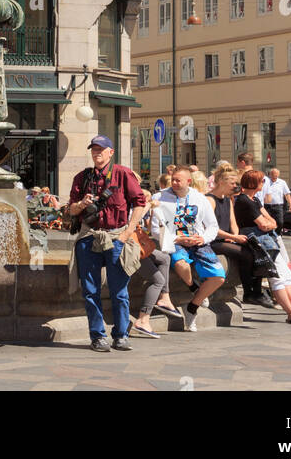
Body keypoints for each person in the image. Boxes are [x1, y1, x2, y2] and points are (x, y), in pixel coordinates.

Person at [68, 135, 147, 352]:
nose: (97, 154)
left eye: (101, 150)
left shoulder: (122, 174)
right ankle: (97, 336)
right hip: (89, 237)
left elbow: (140, 202)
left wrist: (128, 233)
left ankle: (121, 335)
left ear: (111, 152)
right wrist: (81, 204)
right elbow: (71, 210)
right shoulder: (82, 177)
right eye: (94, 150)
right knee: (90, 291)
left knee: (119, 290)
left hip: (116, 236)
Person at [236, 171, 291, 324]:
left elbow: (271, 221)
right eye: (262, 181)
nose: (264, 183)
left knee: (286, 276)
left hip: (268, 240)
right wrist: (268, 224)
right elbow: (263, 224)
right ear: (253, 183)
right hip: (259, 243)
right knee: (277, 277)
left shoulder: (254, 199)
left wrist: (269, 224)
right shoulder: (244, 201)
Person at [149, 165, 226, 331]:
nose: (174, 183)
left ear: (188, 181)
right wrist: (177, 238)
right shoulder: (160, 197)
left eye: (178, 180)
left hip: (198, 241)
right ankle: (194, 288)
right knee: (180, 263)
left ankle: (192, 307)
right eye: (173, 180)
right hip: (174, 241)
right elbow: (155, 229)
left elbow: (212, 226)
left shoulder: (200, 199)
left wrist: (202, 238)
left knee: (219, 276)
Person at [206, 165, 268, 307]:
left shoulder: (228, 199)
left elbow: (233, 223)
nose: (235, 186)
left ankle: (256, 292)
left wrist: (235, 236)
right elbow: (211, 229)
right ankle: (248, 292)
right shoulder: (210, 200)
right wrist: (234, 238)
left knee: (258, 249)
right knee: (246, 254)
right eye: (232, 183)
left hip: (226, 238)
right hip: (213, 241)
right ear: (221, 182)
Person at [130, 193, 182, 338]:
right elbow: (132, 220)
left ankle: (165, 297)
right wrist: (149, 205)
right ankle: (142, 319)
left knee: (165, 258)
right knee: (158, 280)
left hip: (137, 245)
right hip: (131, 249)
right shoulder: (127, 201)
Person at [264, 168, 291, 232]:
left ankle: (277, 234)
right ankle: (269, 235)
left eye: (277, 174)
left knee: (280, 222)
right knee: (267, 222)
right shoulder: (266, 182)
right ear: (270, 174)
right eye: (273, 174)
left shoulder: (282, 182)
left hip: (278, 206)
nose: (275, 175)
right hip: (267, 206)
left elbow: (287, 194)